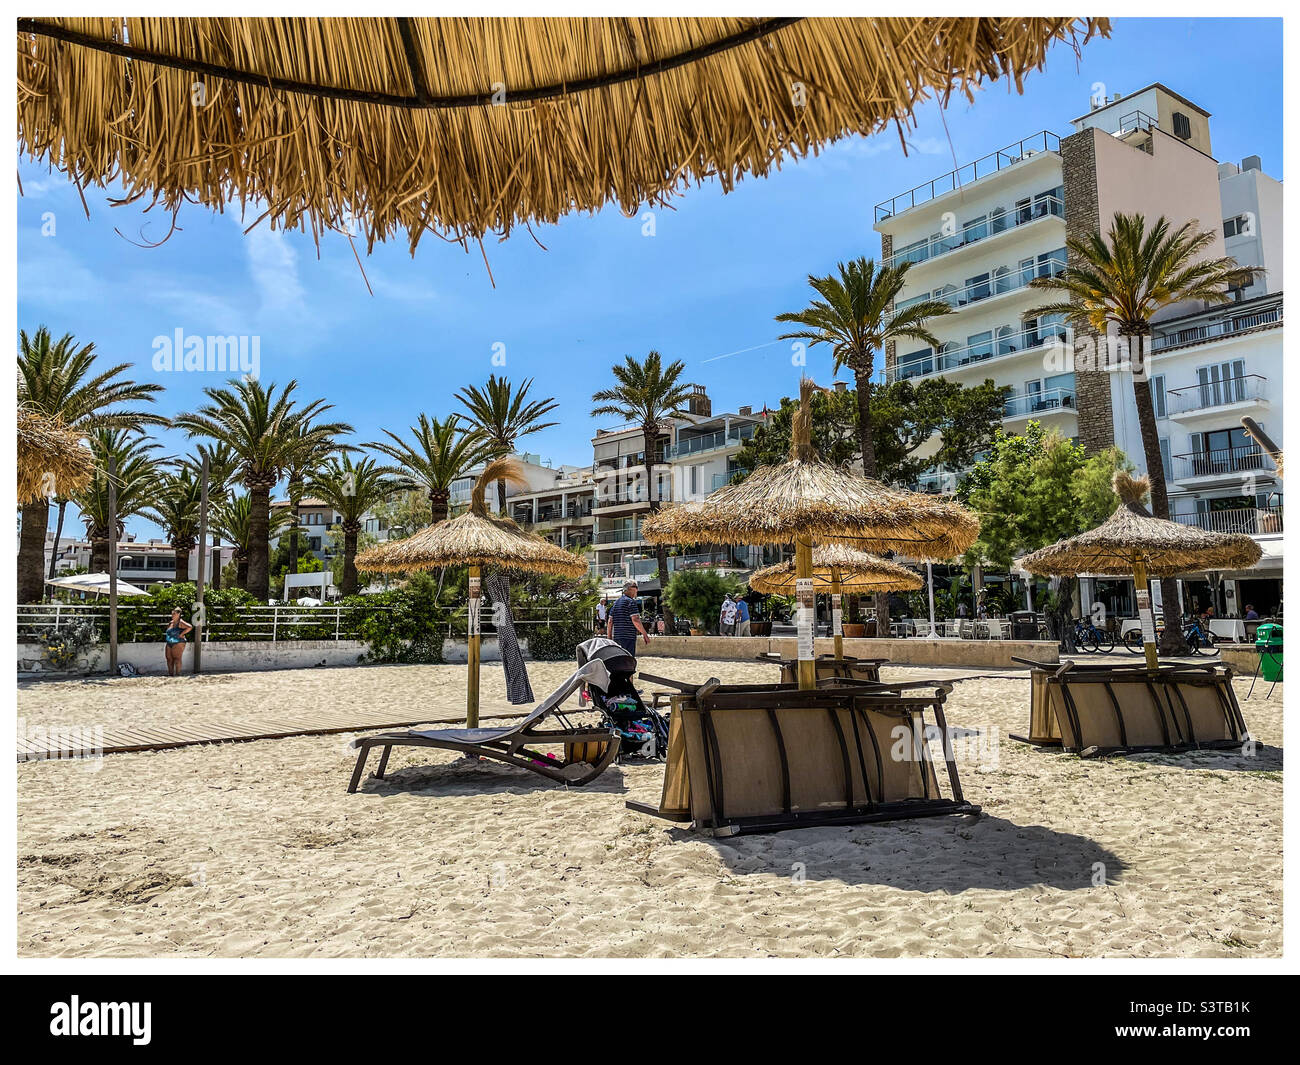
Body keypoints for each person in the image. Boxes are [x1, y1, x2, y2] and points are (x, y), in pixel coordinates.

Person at [607, 581, 651, 658]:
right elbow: (635, 619)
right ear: (630, 589)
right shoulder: (630, 602)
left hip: (617, 637)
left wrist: (609, 637)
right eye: (636, 587)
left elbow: (610, 621)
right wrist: (645, 634)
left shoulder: (616, 603)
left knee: (619, 660)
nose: (637, 590)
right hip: (628, 637)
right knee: (628, 660)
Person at [163, 607, 193, 677]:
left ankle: (178, 674)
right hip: (169, 642)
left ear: (179, 614)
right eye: (172, 614)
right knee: (169, 659)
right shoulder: (171, 622)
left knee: (177, 658)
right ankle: (171, 674)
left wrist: (182, 634)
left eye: (174, 614)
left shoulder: (181, 622)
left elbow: (190, 627)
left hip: (178, 642)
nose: (172, 615)